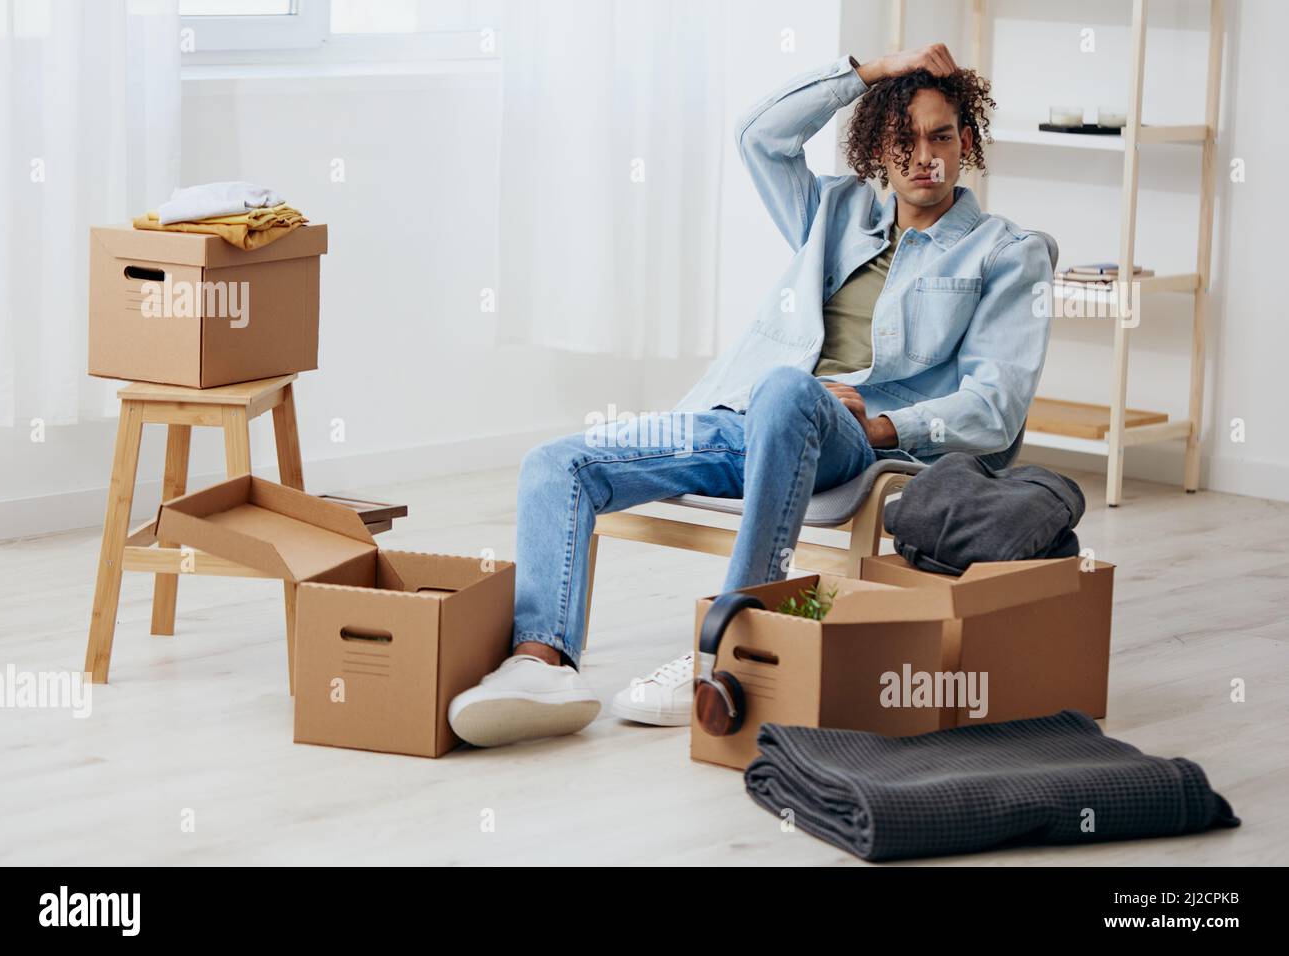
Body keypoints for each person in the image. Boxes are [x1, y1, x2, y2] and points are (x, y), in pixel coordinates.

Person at [448, 43, 1054, 747]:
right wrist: (873, 70)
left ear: (966, 141)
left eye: (941, 135)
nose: (925, 155)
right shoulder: (833, 212)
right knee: (556, 465)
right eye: (904, 137)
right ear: (876, 150)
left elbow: (997, 405)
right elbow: (758, 135)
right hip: (736, 422)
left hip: (849, 440)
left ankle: (728, 645)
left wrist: (886, 424)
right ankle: (540, 664)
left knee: (786, 391)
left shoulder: (1007, 252)